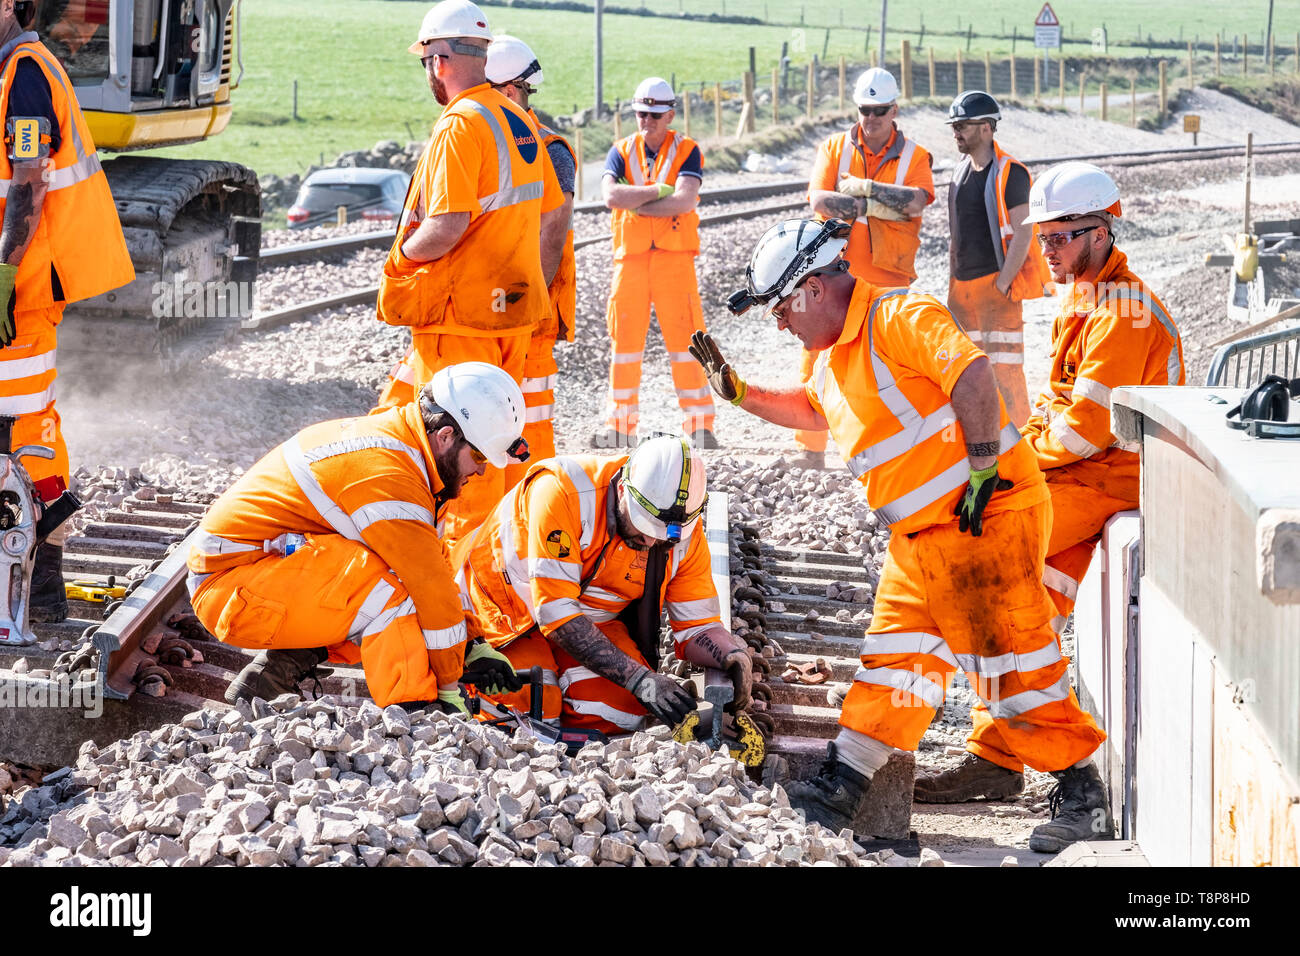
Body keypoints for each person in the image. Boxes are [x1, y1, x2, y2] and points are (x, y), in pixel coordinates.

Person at [693, 218, 1110, 853]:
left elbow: (969, 374)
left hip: (982, 515)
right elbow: (813, 410)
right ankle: (843, 785)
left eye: (782, 310)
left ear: (811, 288)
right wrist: (741, 393)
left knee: (1011, 663)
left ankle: (1082, 791)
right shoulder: (832, 358)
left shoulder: (897, 315)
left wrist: (980, 469)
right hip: (921, 538)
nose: (781, 324)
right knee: (894, 665)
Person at [914, 163, 1184, 807]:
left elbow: (1085, 433)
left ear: (1101, 231)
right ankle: (997, 758)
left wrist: (1014, 465)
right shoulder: (1089, 298)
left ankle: (1057, 771)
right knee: (1026, 609)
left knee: (984, 568)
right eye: (1044, 238)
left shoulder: (1122, 313)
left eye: (1061, 239)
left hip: (1114, 477)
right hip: (1091, 477)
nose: (1047, 251)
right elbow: (1055, 409)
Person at [186, 363, 530, 712]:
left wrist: (472, 644)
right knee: (390, 592)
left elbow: (432, 566)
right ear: (444, 437)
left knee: (384, 578)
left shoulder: (403, 452)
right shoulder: (389, 476)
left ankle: (273, 675)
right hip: (233, 589)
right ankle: (416, 711)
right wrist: (448, 688)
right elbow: (427, 588)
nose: (482, 469)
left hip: (258, 577)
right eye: (478, 455)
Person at [375, 0, 565, 549]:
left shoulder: (460, 124)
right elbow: (550, 214)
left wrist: (401, 261)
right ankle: (496, 563)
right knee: (496, 448)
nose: (428, 74)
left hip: (463, 319)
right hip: (510, 317)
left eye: (426, 62)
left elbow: (447, 223)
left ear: (439, 58)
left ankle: (458, 586)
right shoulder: (520, 123)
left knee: (461, 456)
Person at [452, 436, 754, 735]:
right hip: (504, 611)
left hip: (587, 618)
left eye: (662, 537)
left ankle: (569, 731)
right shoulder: (563, 491)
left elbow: (697, 626)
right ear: (622, 489)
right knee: (532, 701)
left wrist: (731, 654)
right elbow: (557, 616)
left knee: (622, 709)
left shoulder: (683, 535)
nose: (651, 542)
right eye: (645, 526)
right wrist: (641, 679)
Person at [0, 0, 134, 630]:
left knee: (18, 431)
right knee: (25, 426)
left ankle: (33, 594)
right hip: (20, 284)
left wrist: (4, 274)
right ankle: (35, 589)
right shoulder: (19, 69)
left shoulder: (25, 73)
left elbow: (28, 179)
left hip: (19, 286)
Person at [794, 67, 934, 469]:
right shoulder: (834, 148)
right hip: (833, 272)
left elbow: (916, 203)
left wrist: (862, 195)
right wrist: (873, 207)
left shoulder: (915, 156)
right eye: (864, 110)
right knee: (818, 355)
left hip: (888, 274)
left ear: (895, 109)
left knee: (887, 361)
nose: (870, 118)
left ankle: (889, 446)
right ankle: (811, 447)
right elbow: (819, 201)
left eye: (879, 110)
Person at [595, 78, 716, 451]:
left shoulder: (688, 150)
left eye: (655, 115)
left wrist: (636, 202)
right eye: (641, 113)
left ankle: (699, 427)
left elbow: (684, 201)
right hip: (630, 261)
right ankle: (621, 426)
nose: (646, 121)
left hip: (674, 260)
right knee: (624, 347)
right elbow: (610, 196)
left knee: (686, 343)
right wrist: (654, 193)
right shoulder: (620, 150)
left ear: (670, 115)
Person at [945, 90, 1052, 427]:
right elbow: (957, 235)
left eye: (963, 125)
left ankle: (1021, 442)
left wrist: (1003, 281)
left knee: (1005, 370)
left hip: (995, 288)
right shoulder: (960, 173)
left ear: (987, 128)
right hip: (962, 290)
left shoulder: (1011, 173)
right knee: (969, 372)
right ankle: (982, 443)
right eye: (955, 125)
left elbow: (1024, 232)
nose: (956, 131)